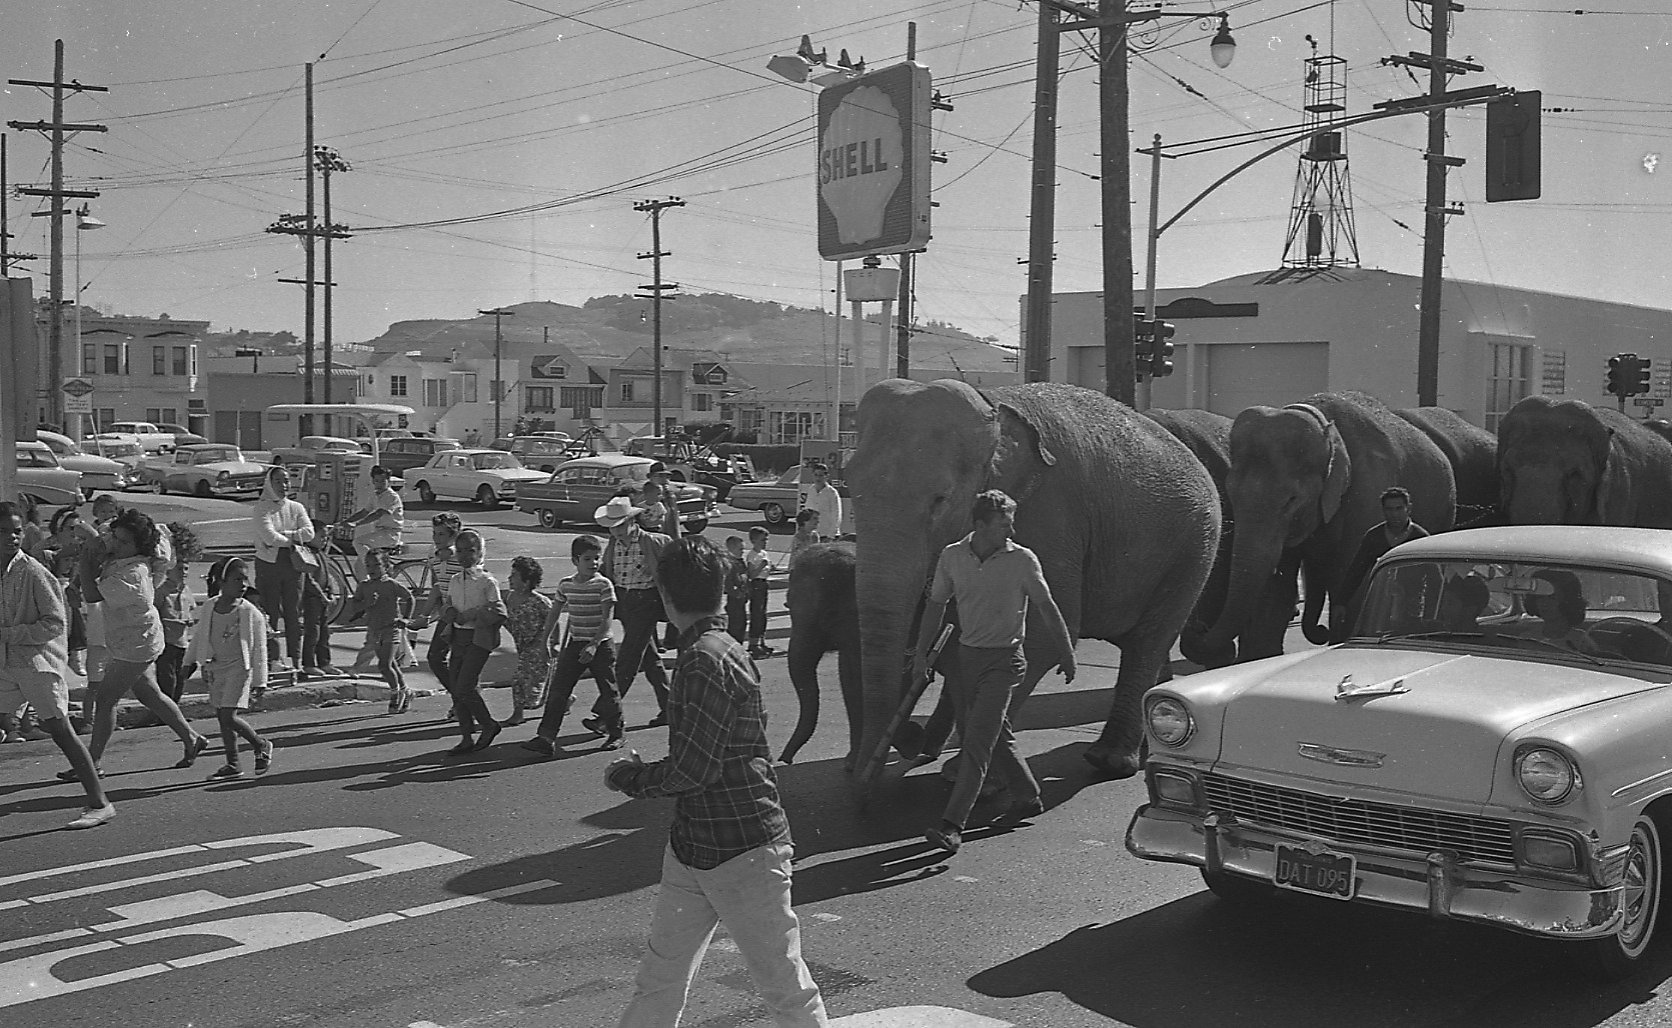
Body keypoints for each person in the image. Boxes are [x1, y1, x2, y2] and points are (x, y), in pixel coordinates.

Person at [606, 536, 828, 1027]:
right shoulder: (725, 649)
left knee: (779, 986)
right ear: (721, 591)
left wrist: (630, 777)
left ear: (666, 598)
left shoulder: (701, 660)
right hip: (711, 843)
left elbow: (693, 771)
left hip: (734, 849)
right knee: (670, 977)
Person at [915, 490, 1076, 856]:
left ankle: (952, 825)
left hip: (1005, 661)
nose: (1012, 530)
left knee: (976, 742)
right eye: (1004, 524)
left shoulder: (1022, 560)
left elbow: (1046, 607)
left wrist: (1066, 652)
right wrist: (921, 653)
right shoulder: (952, 556)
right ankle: (1028, 797)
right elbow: (936, 605)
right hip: (967, 659)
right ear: (980, 525)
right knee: (995, 732)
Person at [64, 507, 211, 780]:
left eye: (124, 542)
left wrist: (85, 558)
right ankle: (192, 738)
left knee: (105, 700)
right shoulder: (123, 558)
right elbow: (102, 546)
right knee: (148, 694)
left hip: (136, 644)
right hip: (129, 639)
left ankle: (92, 763)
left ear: (139, 546)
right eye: (116, 538)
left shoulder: (134, 573)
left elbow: (93, 594)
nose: (116, 545)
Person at [0, 501, 115, 829]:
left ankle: (100, 803)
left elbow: (54, 622)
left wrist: (9, 634)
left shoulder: (33, 572)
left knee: (60, 730)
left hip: (36, 665)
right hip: (4, 666)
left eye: (16, 531)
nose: (12, 537)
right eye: (4, 531)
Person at [522, 535, 623, 756]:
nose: (593, 563)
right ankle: (546, 737)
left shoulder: (603, 585)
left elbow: (607, 619)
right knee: (559, 690)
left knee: (608, 691)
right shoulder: (566, 584)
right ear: (575, 560)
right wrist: (545, 641)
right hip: (576, 644)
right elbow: (554, 614)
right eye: (587, 559)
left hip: (601, 646)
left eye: (596, 558)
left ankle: (616, 733)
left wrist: (594, 645)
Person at [590, 495, 672, 731]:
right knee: (650, 658)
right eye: (612, 526)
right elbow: (607, 572)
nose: (615, 531)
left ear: (631, 521)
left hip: (646, 601)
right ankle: (670, 707)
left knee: (628, 658)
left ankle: (605, 714)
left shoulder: (653, 542)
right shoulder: (613, 545)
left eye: (619, 525)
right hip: (624, 602)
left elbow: (672, 568)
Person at [190, 558, 276, 779]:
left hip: (239, 669)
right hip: (216, 668)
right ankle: (233, 763)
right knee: (222, 716)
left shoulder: (249, 612)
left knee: (228, 716)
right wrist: (189, 662)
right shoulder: (210, 606)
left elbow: (260, 648)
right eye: (237, 579)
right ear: (222, 581)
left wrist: (261, 680)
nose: (244, 584)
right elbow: (200, 636)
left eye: (245, 579)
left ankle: (260, 744)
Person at [440, 528, 505, 754]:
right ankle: (466, 737)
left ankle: (488, 724)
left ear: (480, 553)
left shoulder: (487, 581)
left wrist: (473, 614)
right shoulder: (455, 580)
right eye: (460, 551)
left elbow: (498, 611)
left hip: (478, 639)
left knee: (465, 685)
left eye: (470, 550)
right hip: (458, 637)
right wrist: (448, 612)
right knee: (457, 689)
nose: (465, 556)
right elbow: (448, 604)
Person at [1338, 487, 1430, 636]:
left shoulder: (1420, 538)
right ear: (1383, 511)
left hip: (1411, 610)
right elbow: (1356, 571)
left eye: (1399, 508)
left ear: (1408, 509)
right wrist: (1341, 602)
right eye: (1389, 509)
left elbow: (1434, 578)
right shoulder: (1374, 537)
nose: (1394, 514)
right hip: (1379, 608)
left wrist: (1430, 614)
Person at [250, 465, 316, 672]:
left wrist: (285, 536)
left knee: (293, 613)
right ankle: (273, 659)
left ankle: (296, 659)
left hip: (294, 565)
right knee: (269, 613)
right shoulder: (262, 508)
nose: (283, 485)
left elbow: (310, 533)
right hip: (268, 566)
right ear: (269, 483)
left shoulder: (296, 507)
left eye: (286, 481)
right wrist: (294, 538)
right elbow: (269, 537)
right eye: (278, 481)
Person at [344, 549, 415, 715]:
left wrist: (406, 619)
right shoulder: (364, 586)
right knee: (391, 665)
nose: (372, 569)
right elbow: (355, 606)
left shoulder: (391, 584)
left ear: (386, 566)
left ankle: (395, 693)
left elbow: (409, 598)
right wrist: (366, 604)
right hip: (374, 630)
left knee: (384, 665)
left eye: (377, 565)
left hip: (391, 628)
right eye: (368, 565)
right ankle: (406, 690)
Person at [411, 512, 465, 705]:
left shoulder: (464, 555)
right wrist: (424, 616)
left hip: (465, 615)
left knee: (461, 663)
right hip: (447, 615)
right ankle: (460, 699)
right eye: (434, 533)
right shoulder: (433, 556)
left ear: (454, 535)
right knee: (435, 658)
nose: (436, 538)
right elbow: (437, 588)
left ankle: (464, 703)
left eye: (441, 534)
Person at [153, 522, 202, 704]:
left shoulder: (186, 590)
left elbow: (190, 610)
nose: (184, 572)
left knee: (181, 678)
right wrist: (171, 622)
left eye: (186, 568)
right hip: (166, 643)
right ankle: (164, 711)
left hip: (183, 643)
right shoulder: (161, 591)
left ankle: (175, 707)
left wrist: (190, 621)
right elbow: (155, 615)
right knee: (167, 680)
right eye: (180, 568)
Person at [503, 555, 552, 726]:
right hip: (522, 644)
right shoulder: (510, 598)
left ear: (526, 581)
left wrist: (554, 644)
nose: (509, 578)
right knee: (541, 680)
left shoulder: (539, 601)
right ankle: (567, 699)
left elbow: (553, 621)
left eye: (515, 575)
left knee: (520, 678)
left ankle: (518, 713)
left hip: (539, 644)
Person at [1527, 569, 1600, 654]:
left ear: (1568, 601)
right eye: (1539, 597)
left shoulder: (1581, 641)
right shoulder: (1527, 638)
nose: (1544, 603)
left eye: (1552, 598)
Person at [349, 465, 405, 574]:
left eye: (383, 481)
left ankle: (376, 568)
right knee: (359, 566)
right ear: (373, 481)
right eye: (377, 481)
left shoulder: (391, 496)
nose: (379, 484)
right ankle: (366, 582)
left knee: (358, 542)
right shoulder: (374, 495)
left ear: (388, 481)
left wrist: (356, 524)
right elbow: (364, 512)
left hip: (390, 534)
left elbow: (378, 513)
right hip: (380, 532)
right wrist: (345, 522)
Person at [744, 526, 776, 659]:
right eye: (762, 540)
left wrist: (770, 567)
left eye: (766, 540)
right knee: (757, 613)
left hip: (764, 583)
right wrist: (761, 566)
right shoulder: (752, 555)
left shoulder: (764, 553)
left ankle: (762, 641)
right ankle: (753, 643)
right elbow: (751, 574)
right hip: (756, 584)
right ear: (754, 541)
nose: (765, 542)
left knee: (763, 614)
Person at [803, 462, 841, 542]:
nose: (818, 478)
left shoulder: (832, 493)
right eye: (816, 475)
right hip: (813, 534)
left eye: (821, 475)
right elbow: (807, 511)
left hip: (827, 535)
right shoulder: (811, 490)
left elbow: (836, 515)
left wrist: (831, 536)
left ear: (826, 476)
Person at [644, 462, 683, 539]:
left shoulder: (670, 494)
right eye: (660, 476)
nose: (664, 479)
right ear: (651, 477)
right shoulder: (646, 492)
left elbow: (674, 518)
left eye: (667, 476)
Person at [723, 535, 749, 643]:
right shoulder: (730, 564)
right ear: (731, 549)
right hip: (734, 598)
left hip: (742, 596)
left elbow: (745, 576)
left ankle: (740, 642)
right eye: (740, 549)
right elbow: (728, 583)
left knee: (742, 622)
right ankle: (734, 643)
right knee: (735, 624)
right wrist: (736, 592)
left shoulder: (741, 562)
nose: (743, 551)